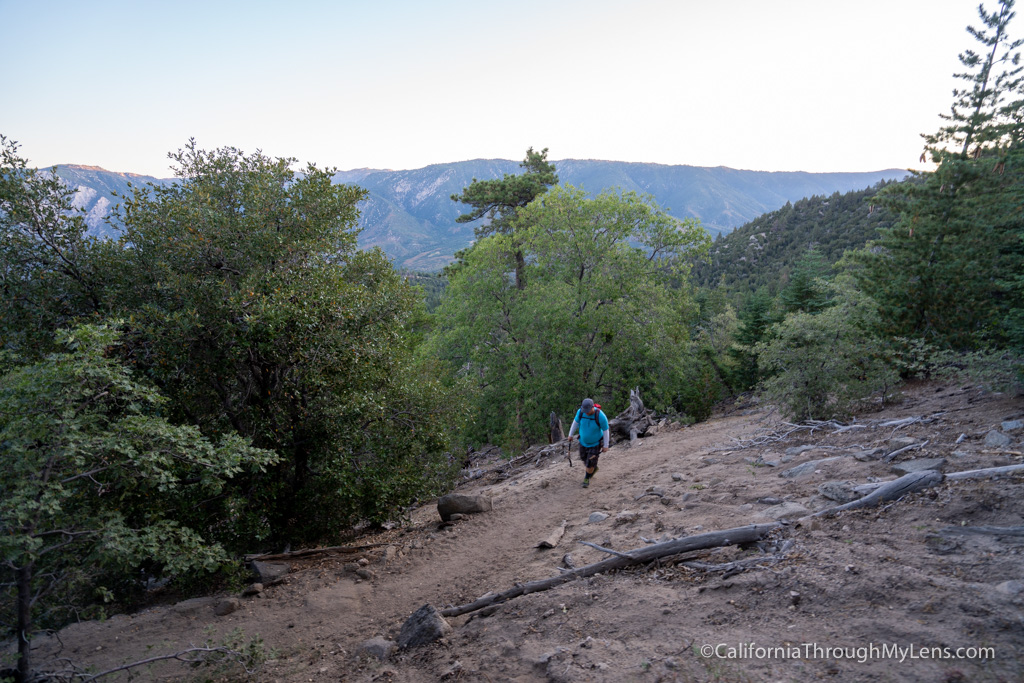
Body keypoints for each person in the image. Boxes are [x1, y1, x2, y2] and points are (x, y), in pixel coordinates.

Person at [567, 398, 609, 488]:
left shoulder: (600, 416)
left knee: (590, 462)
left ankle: (586, 478)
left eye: (587, 410)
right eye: (584, 410)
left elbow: (606, 430)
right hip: (583, 442)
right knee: (583, 458)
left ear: (592, 407)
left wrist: (606, 445)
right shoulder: (581, 412)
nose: (586, 412)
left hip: (595, 443)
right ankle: (593, 468)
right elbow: (575, 423)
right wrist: (570, 435)